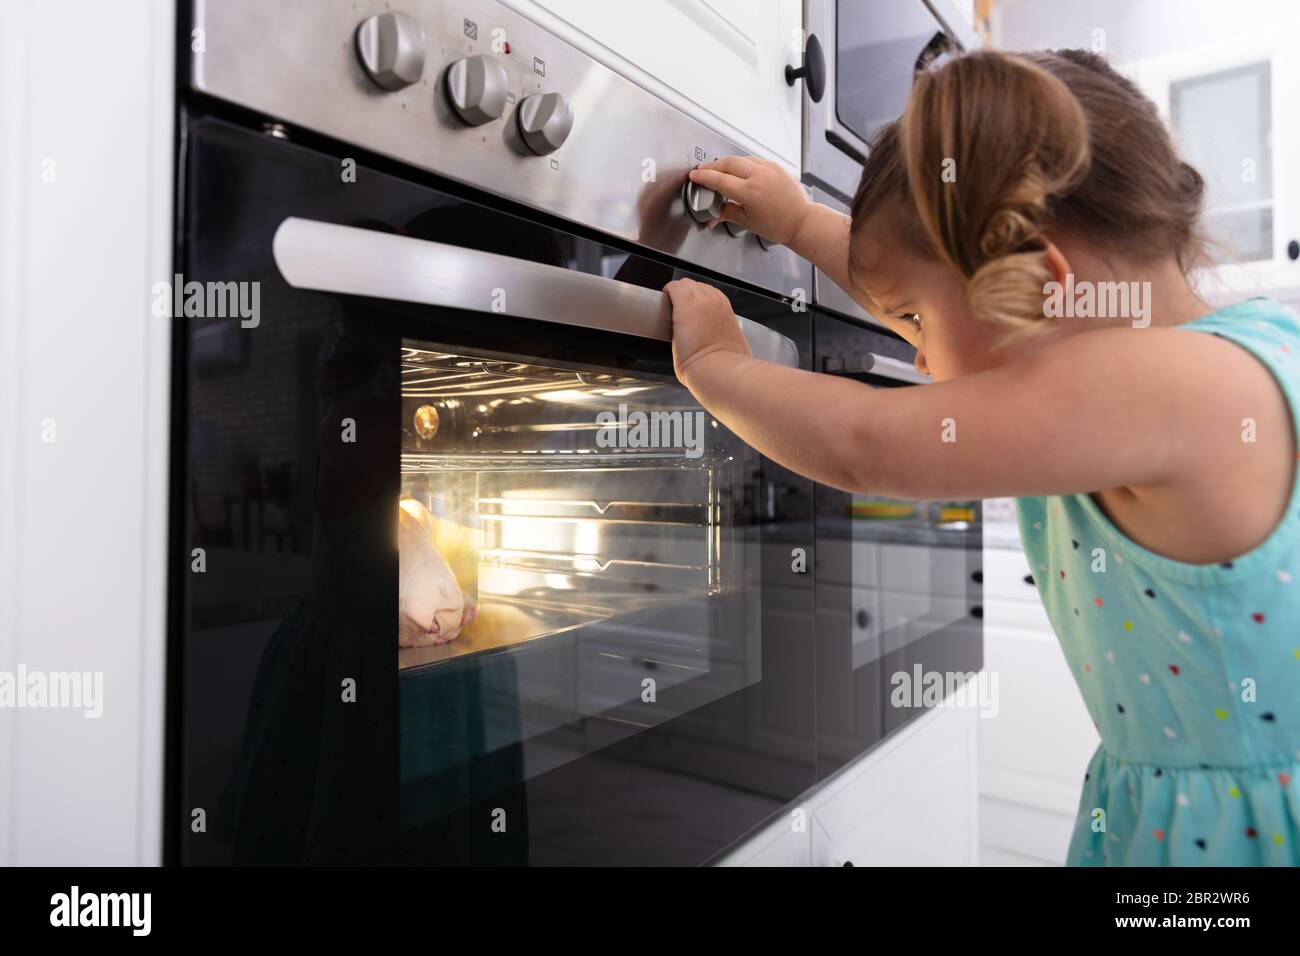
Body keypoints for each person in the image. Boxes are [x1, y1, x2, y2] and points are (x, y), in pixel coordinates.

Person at [664, 48, 1300, 865]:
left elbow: (866, 444)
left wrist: (715, 368)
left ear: (1040, 280)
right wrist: (793, 224)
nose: (919, 359)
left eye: (916, 324)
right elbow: (960, 314)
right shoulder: (1194, 352)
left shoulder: (1165, 385)